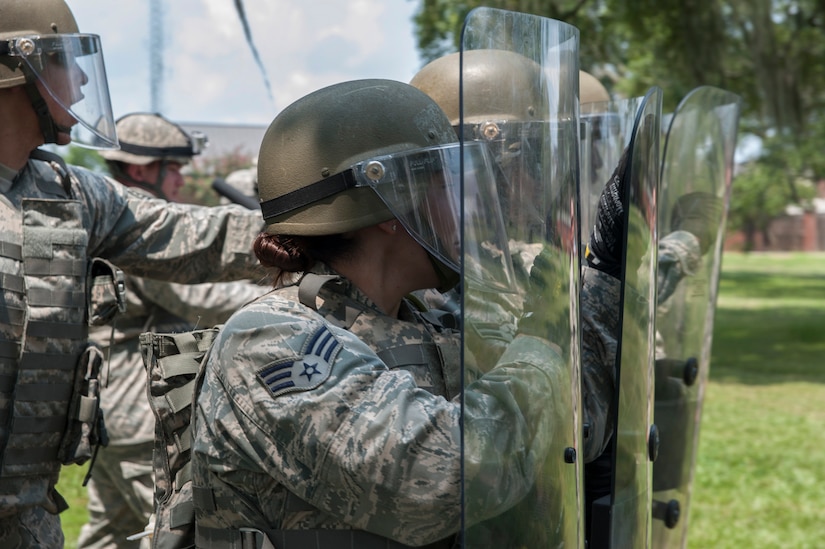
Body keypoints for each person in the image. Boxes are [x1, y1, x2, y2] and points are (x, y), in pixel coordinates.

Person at [188, 78, 573, 548]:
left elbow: (564, 444)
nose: (468, 205)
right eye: (446, 184)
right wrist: (544, 339)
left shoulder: (425, 324)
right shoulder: (271, 341)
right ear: (392, 206)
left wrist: (602, 286)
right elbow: (440, 480)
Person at [0, 1, 264, 547]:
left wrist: (317, 227)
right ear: (14, 68)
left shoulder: (68, 192)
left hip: (27, 516)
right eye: (61, 61)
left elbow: (194, 237)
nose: (77, 82)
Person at [409, 49, 621, 464]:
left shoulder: (495, 265)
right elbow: (559, 427)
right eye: (538, 158)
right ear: (485, 164)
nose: (553, 178)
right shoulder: (440, 283)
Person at [76, 113, 268, 549]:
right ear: (142, 169)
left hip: (113, 408)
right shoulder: (137, 236)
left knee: (108, 534)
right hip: (145, 415)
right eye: (175, 167)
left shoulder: (112, 218)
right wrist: (290, 294)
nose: (182, 179)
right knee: (171, 533)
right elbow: (201, 301)